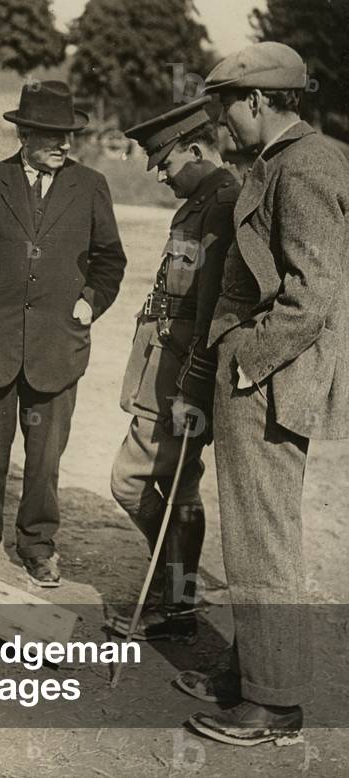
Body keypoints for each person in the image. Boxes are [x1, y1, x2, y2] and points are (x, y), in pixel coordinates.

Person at [179, 42, 349, 747]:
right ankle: (249, 671)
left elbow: (310, 298)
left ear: (258, 101)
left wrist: (244, 360)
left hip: (270, 382)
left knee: (262, 539)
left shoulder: (305, 164)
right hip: (260, 377)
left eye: (224, 104)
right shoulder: (281, 159)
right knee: (250, 533)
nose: (218, 119)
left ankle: (273, 703)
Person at [0, 81, 127, 585]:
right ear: (24, 133)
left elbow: (110, 260)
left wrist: (88, 305)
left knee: (45, 460)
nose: (64, 144)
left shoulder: (90, 186)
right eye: (52, 134)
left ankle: (38, 545)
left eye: (68, 134)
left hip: (57, 345)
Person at [105, 98, 238, 642]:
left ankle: (174, 599)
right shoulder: (201, 201)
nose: (159, 174)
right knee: (177, 486)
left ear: (197, 149)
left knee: (132, 481)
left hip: (181, 375)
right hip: (164, 366)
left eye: (165, 162)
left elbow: (211, 311)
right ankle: (176, 597)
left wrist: (191, 389)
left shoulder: (222, 205)